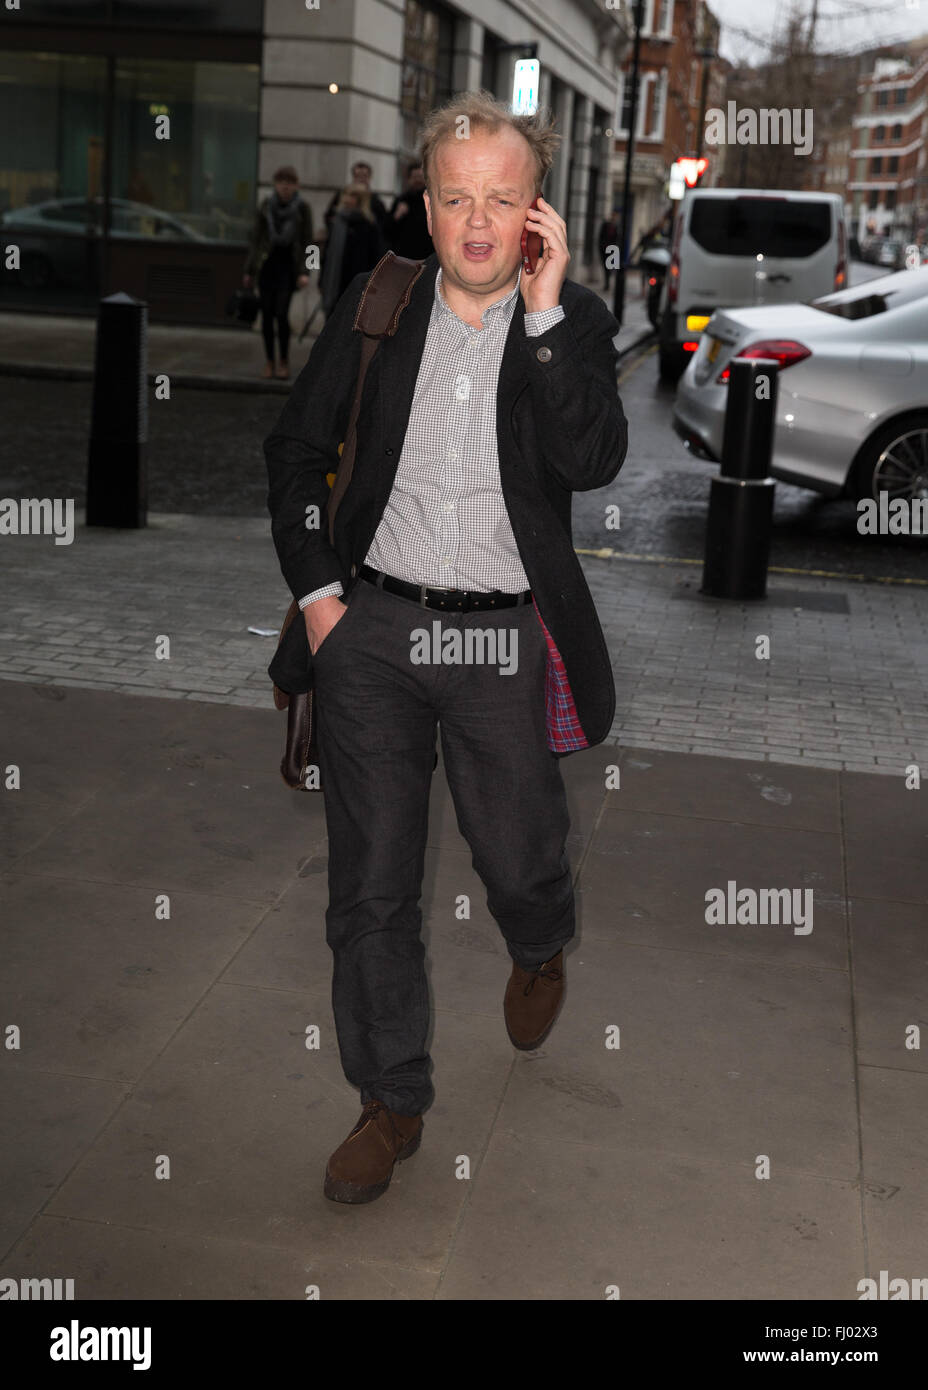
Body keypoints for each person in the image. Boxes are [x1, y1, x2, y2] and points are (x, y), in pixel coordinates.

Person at [264, 88, 627, 1205]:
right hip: (370, 628)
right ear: (427, 208)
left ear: (535, 214)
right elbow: (294, 450)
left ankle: (539, 938)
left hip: (502, 639)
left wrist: (550, 315)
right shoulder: (381, 305)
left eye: (502, 199)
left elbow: (594, 460)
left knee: (516, 852)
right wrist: (323, 599)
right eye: (457, 197)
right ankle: (389, 1101)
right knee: (370, 889)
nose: (478, 221)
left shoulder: (575, 323)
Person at [243, 166, 313, 380]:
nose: (285, 186)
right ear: (275, 184)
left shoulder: (303, 208)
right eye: (281, 181)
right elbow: (255, 239)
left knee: (281, 313)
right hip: (267, 266)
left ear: (296, 185)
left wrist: (306, 272)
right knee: (266, 315)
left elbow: (310, 242)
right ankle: (269, 361)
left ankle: (284, 360)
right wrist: (249, 270)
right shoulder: (266, 205)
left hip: (288, 268)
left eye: (289, 182)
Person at [318, 182, 387, 319]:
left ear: (360, 201)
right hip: (334, 284)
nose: (348, 199)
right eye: (347, 195)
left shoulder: (368, 225)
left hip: (356, 285)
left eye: (353, 196)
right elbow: (325, 254)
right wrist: (320, 279)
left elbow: (375, 257)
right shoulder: (336, 222)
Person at [323, 160, 388, 236]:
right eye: (357, 176)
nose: (361, 179)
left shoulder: (376, 201)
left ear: (369, 177)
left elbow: (383, 224)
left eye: (364, 176)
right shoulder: (342, 195)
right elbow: (329, 216)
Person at [385, 163, 434, 259]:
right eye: (415, 177)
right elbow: (387, 230)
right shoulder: (401, 200)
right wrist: (397, 215)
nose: (418, 180)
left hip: (427, 256)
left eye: (420, 177)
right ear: (409, 179)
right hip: (404, 257)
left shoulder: (432, 201)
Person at [598, 207, 620, 290]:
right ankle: (607, 283)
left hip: (613, 250)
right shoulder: (605, 224)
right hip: (604, 248)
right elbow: (601, 236)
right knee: (606, 267)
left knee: (610, 267)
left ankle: (608, 283)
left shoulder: (617, 226)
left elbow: (618, 238)